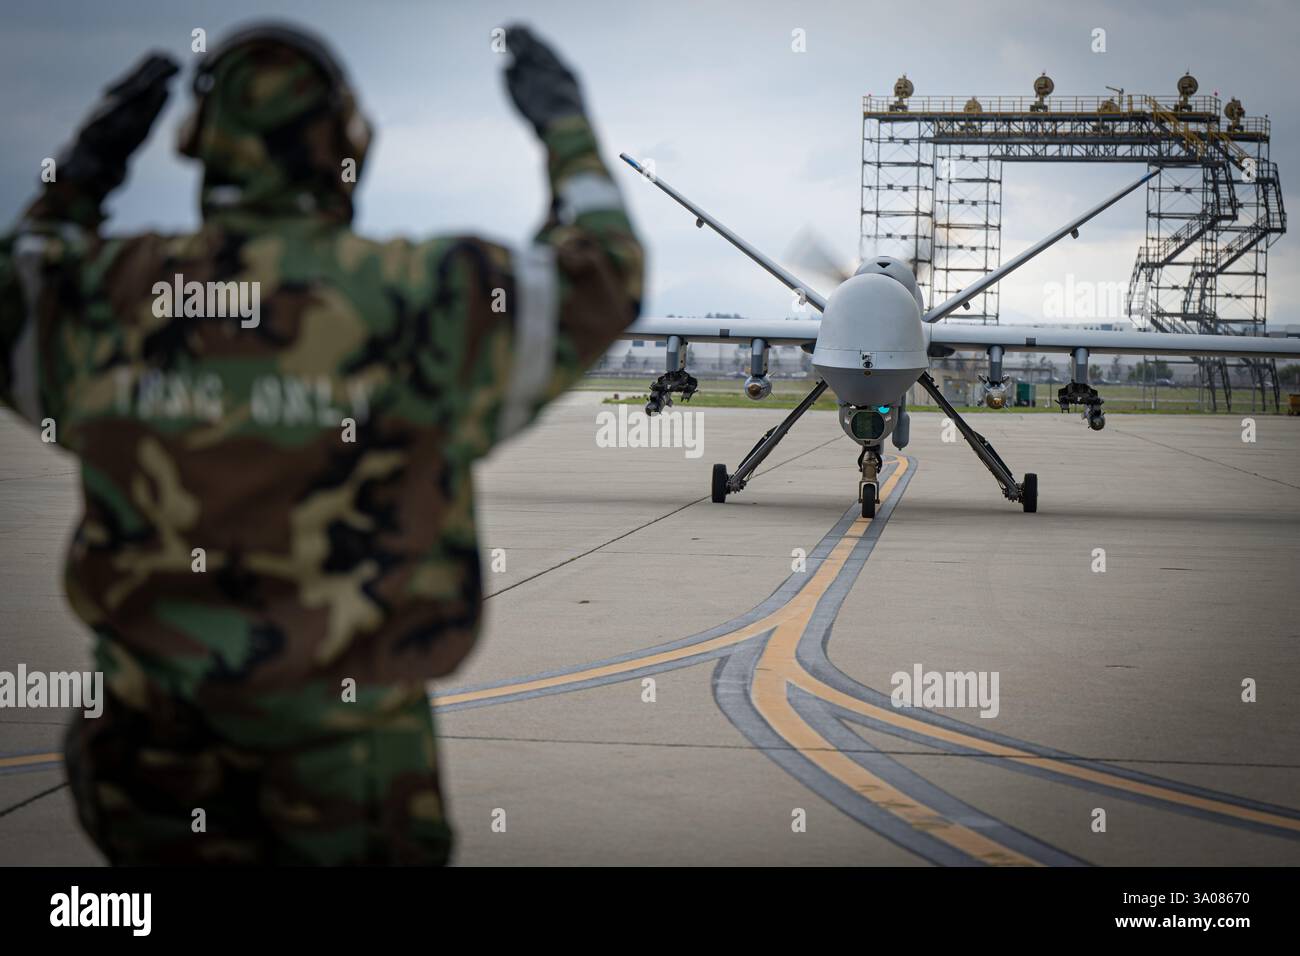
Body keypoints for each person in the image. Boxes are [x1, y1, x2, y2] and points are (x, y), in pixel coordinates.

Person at [0, 21, 643, 864]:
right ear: (348, 147)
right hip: (354, 773)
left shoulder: (114, 296)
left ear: (198, 145)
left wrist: (80, 173)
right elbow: (604, 272)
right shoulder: (427, 294)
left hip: (146, 766)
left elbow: (19, 288)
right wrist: (566, 129)